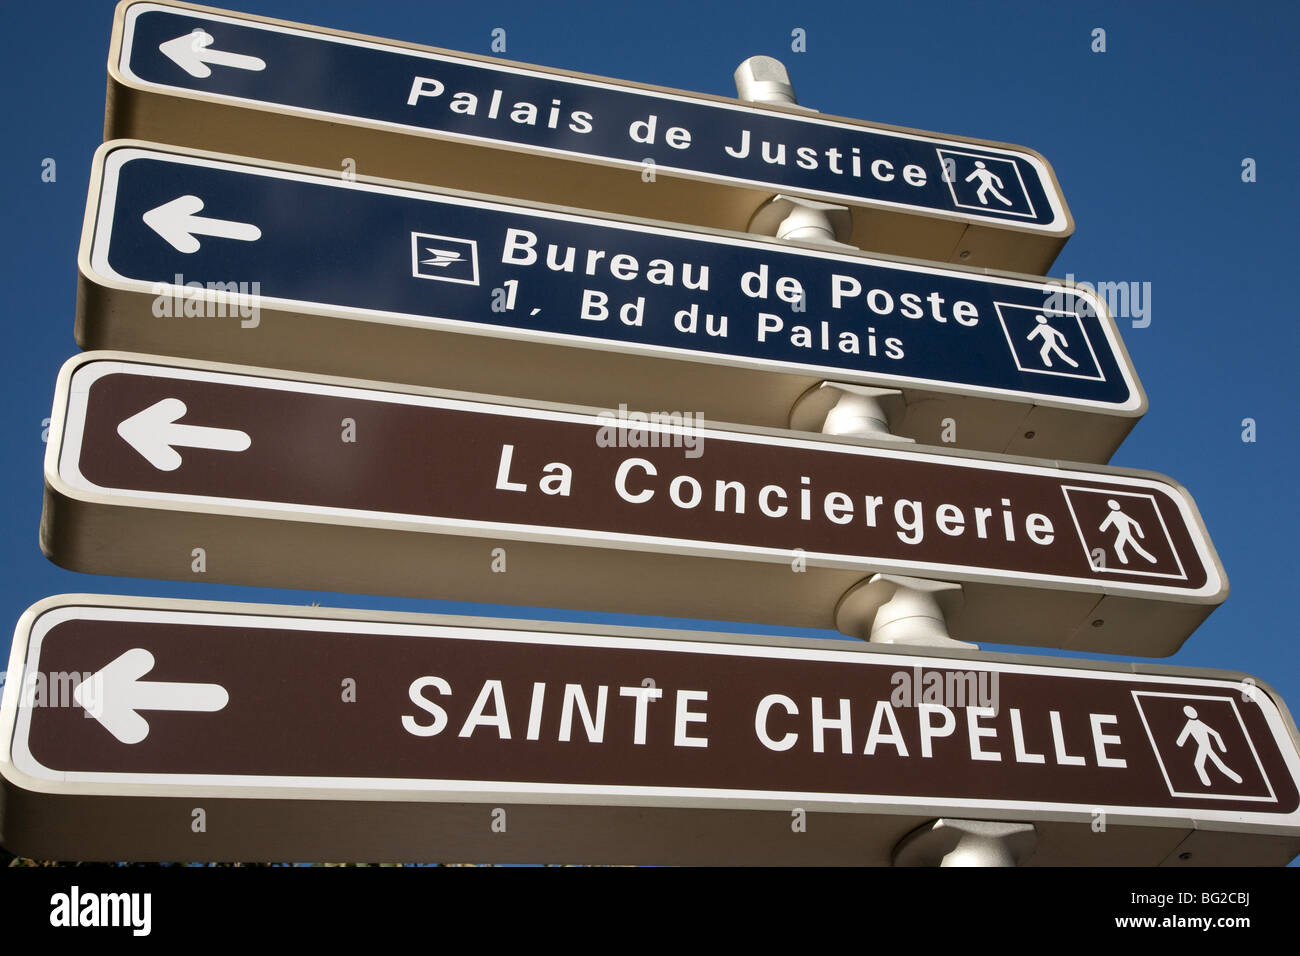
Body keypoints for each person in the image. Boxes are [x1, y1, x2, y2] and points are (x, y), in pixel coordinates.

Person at [1175, 705, 1243, 786]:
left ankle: (1207, 784)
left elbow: (1181, 740)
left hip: (1204, 747)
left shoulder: (1191, 724)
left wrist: (1222, 747)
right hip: (1205, 746)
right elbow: (1215, 734)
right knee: (1214, 765)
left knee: (1201, 764)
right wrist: (1222, 747)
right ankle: (1234, 779)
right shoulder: (1195, 723)